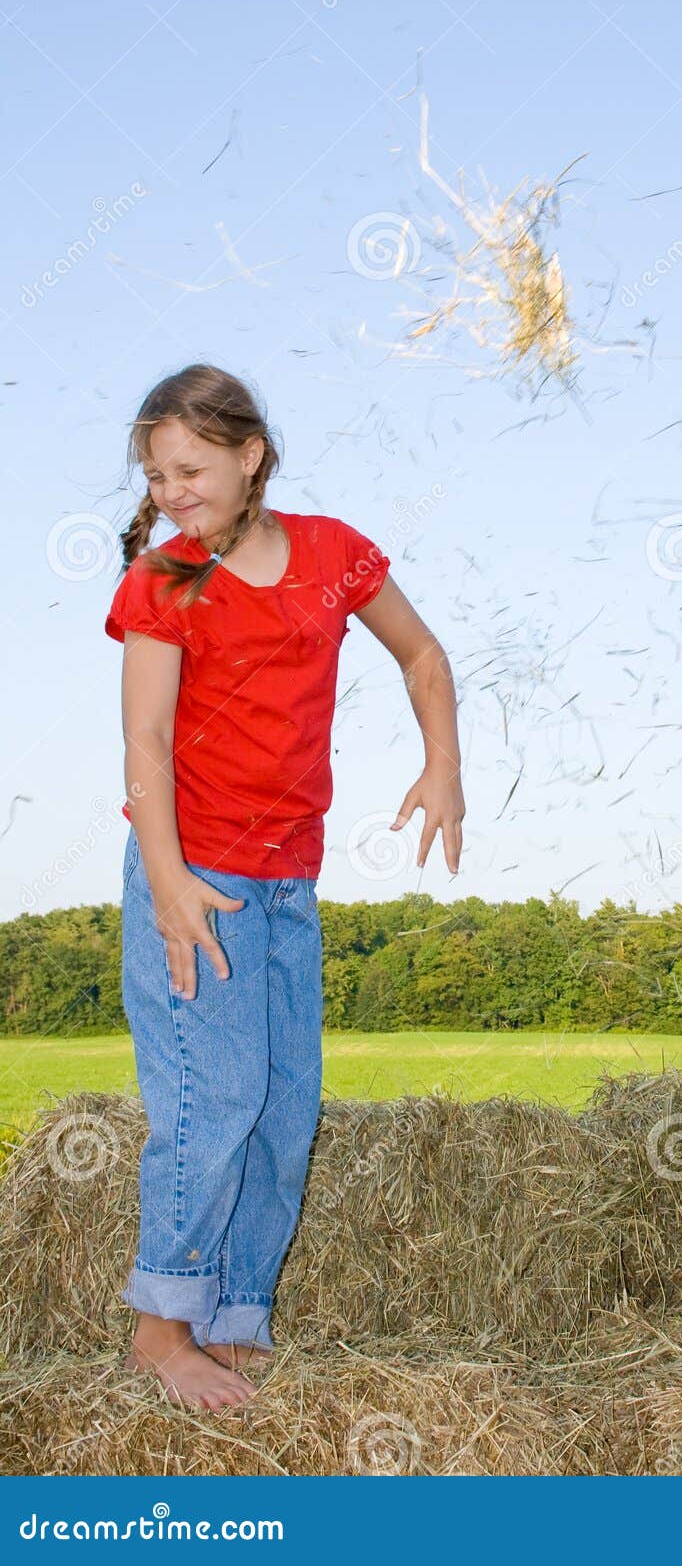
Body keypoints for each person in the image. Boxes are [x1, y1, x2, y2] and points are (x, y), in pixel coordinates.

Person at [106, 363, 465, 1411]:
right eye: (156, 474)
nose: (172, 490)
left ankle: (232, 1319)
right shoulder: (164, 582)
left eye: (190, 466)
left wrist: (440, 762)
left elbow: (423, 652)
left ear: (249, 454)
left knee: (281, 1101)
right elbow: (146, 737)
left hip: (285, 881)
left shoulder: (331, 555)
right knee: (208, 1095)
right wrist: (168, 882)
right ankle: (159, 1330)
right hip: (197, 871)